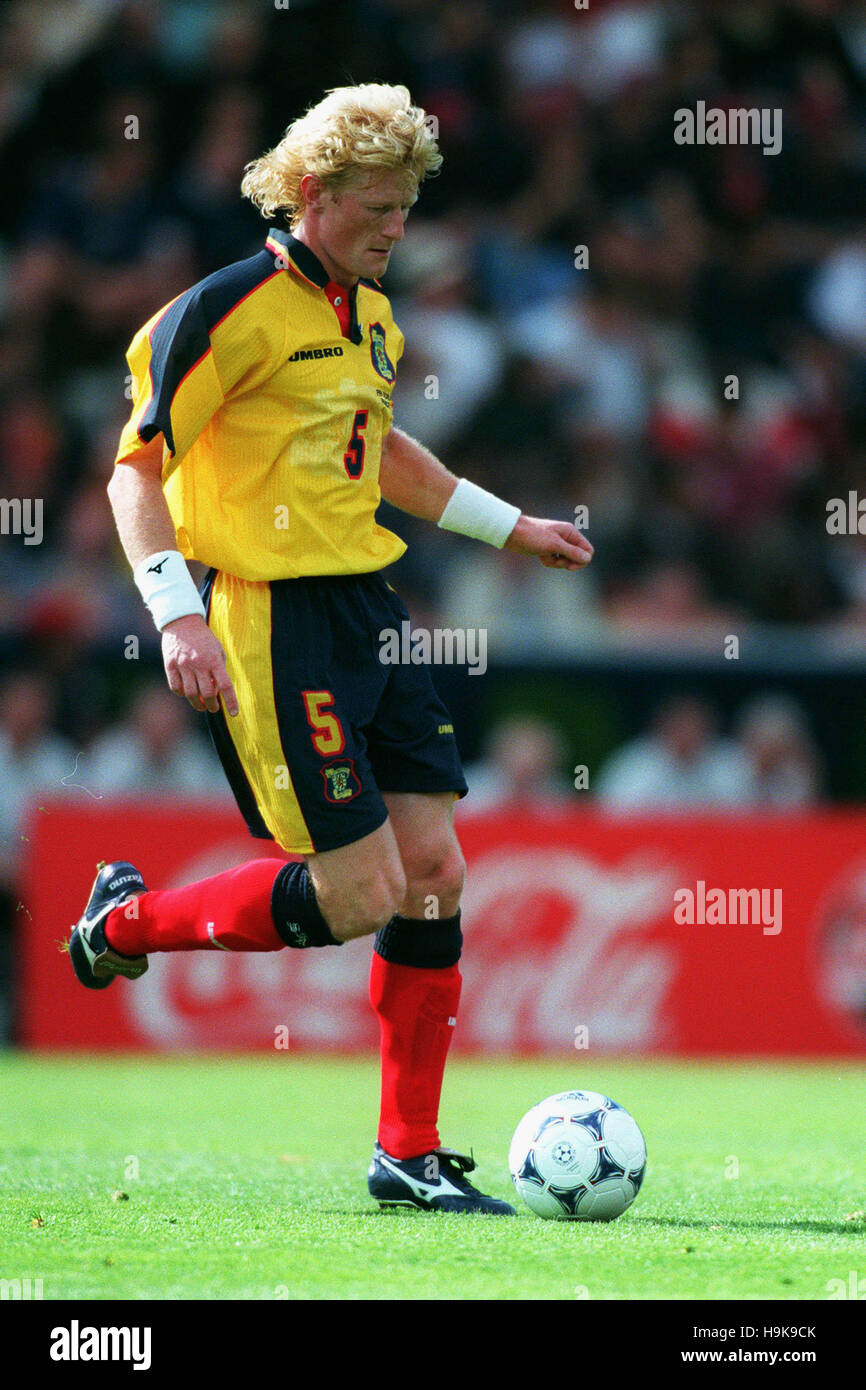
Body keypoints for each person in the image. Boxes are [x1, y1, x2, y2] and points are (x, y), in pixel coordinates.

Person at [68, 84, 593, 1214]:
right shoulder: (221, 310)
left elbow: (382, 450)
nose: (398, 228)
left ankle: (408, 1151)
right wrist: (176, 614)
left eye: (407, 207)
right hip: (270, 616)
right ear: (313, 194)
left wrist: (511, 526)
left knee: (435, 875)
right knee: (358, 895)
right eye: (379, 207)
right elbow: (134, 470)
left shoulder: (371, 315)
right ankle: (123, 923)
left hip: (370, 608)